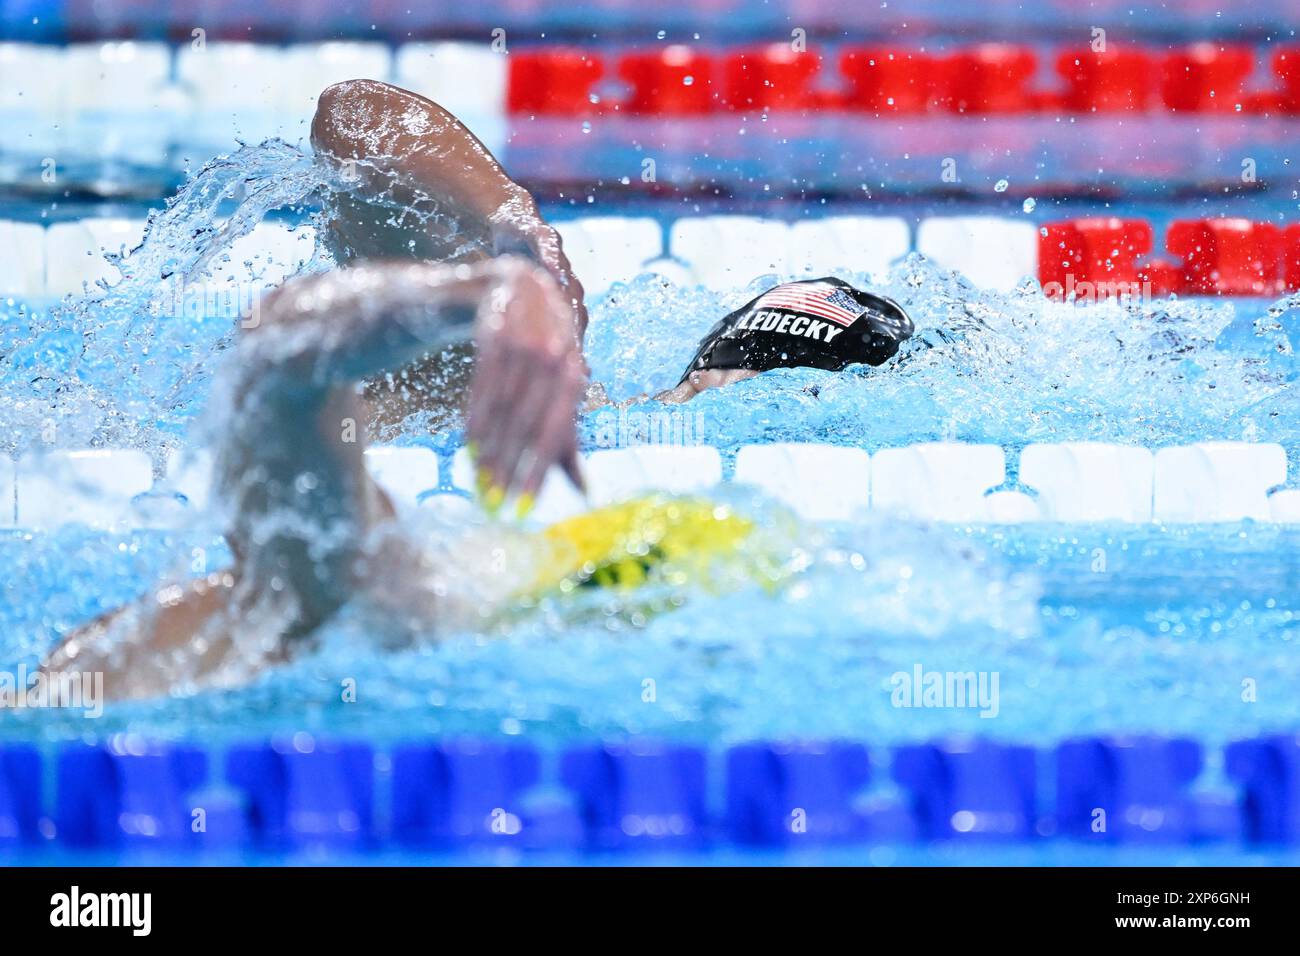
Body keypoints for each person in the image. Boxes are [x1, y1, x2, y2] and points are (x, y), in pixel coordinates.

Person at [37, 80, 911, 699]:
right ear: (732, 378)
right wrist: (510, 224)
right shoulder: (492, 361)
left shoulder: (510, 420)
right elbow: (349, 117)